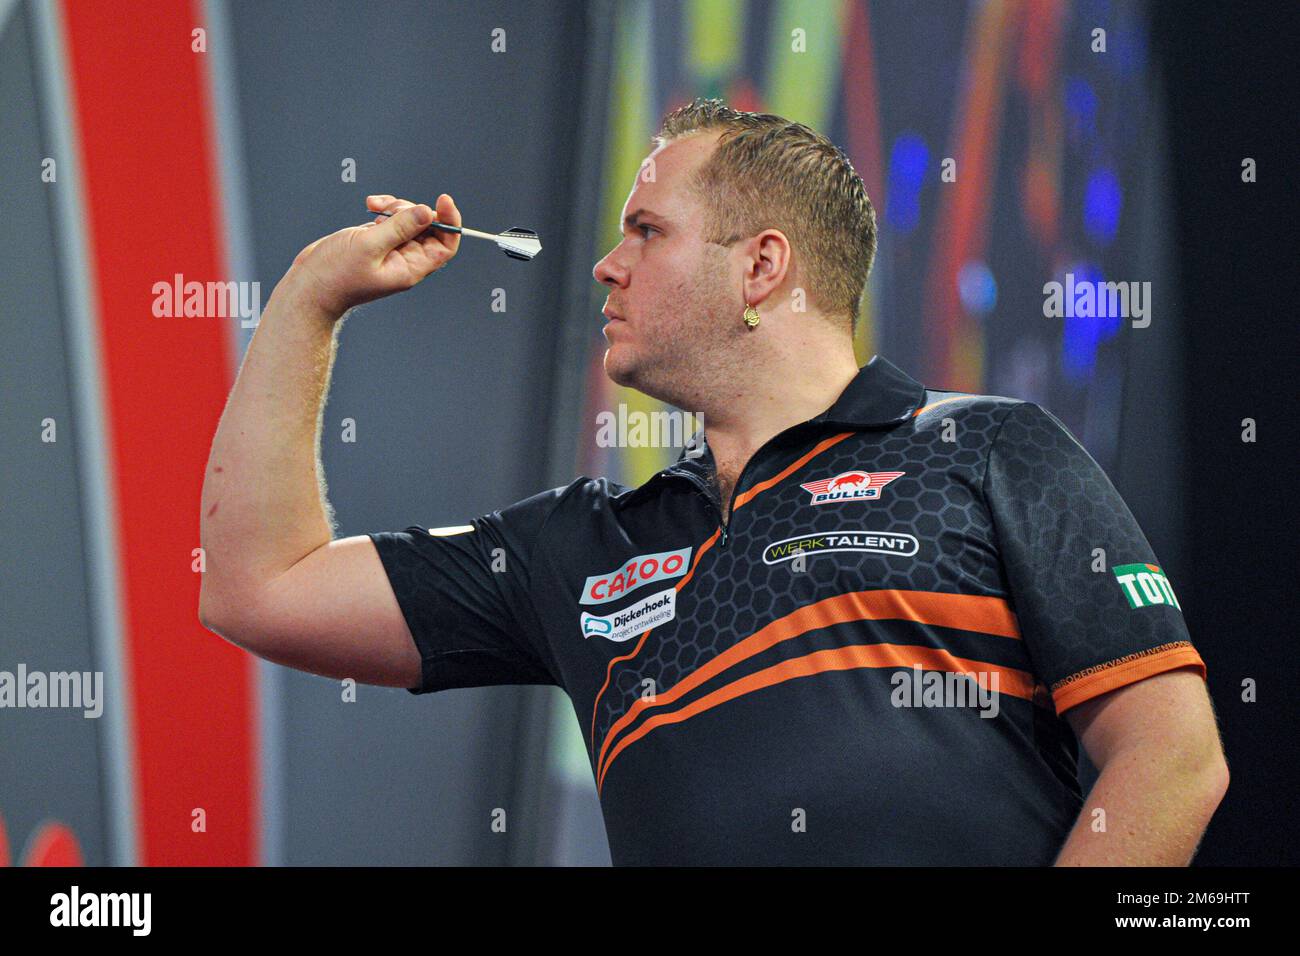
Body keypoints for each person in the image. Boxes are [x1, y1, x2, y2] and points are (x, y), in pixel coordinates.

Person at [199, 98, 1227, 865]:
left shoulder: (987, 449)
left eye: (646, 230)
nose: (605, 264)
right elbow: (258, 584)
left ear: (761, 267)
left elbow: (1171, 757)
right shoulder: (581, 544)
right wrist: (306, 302)